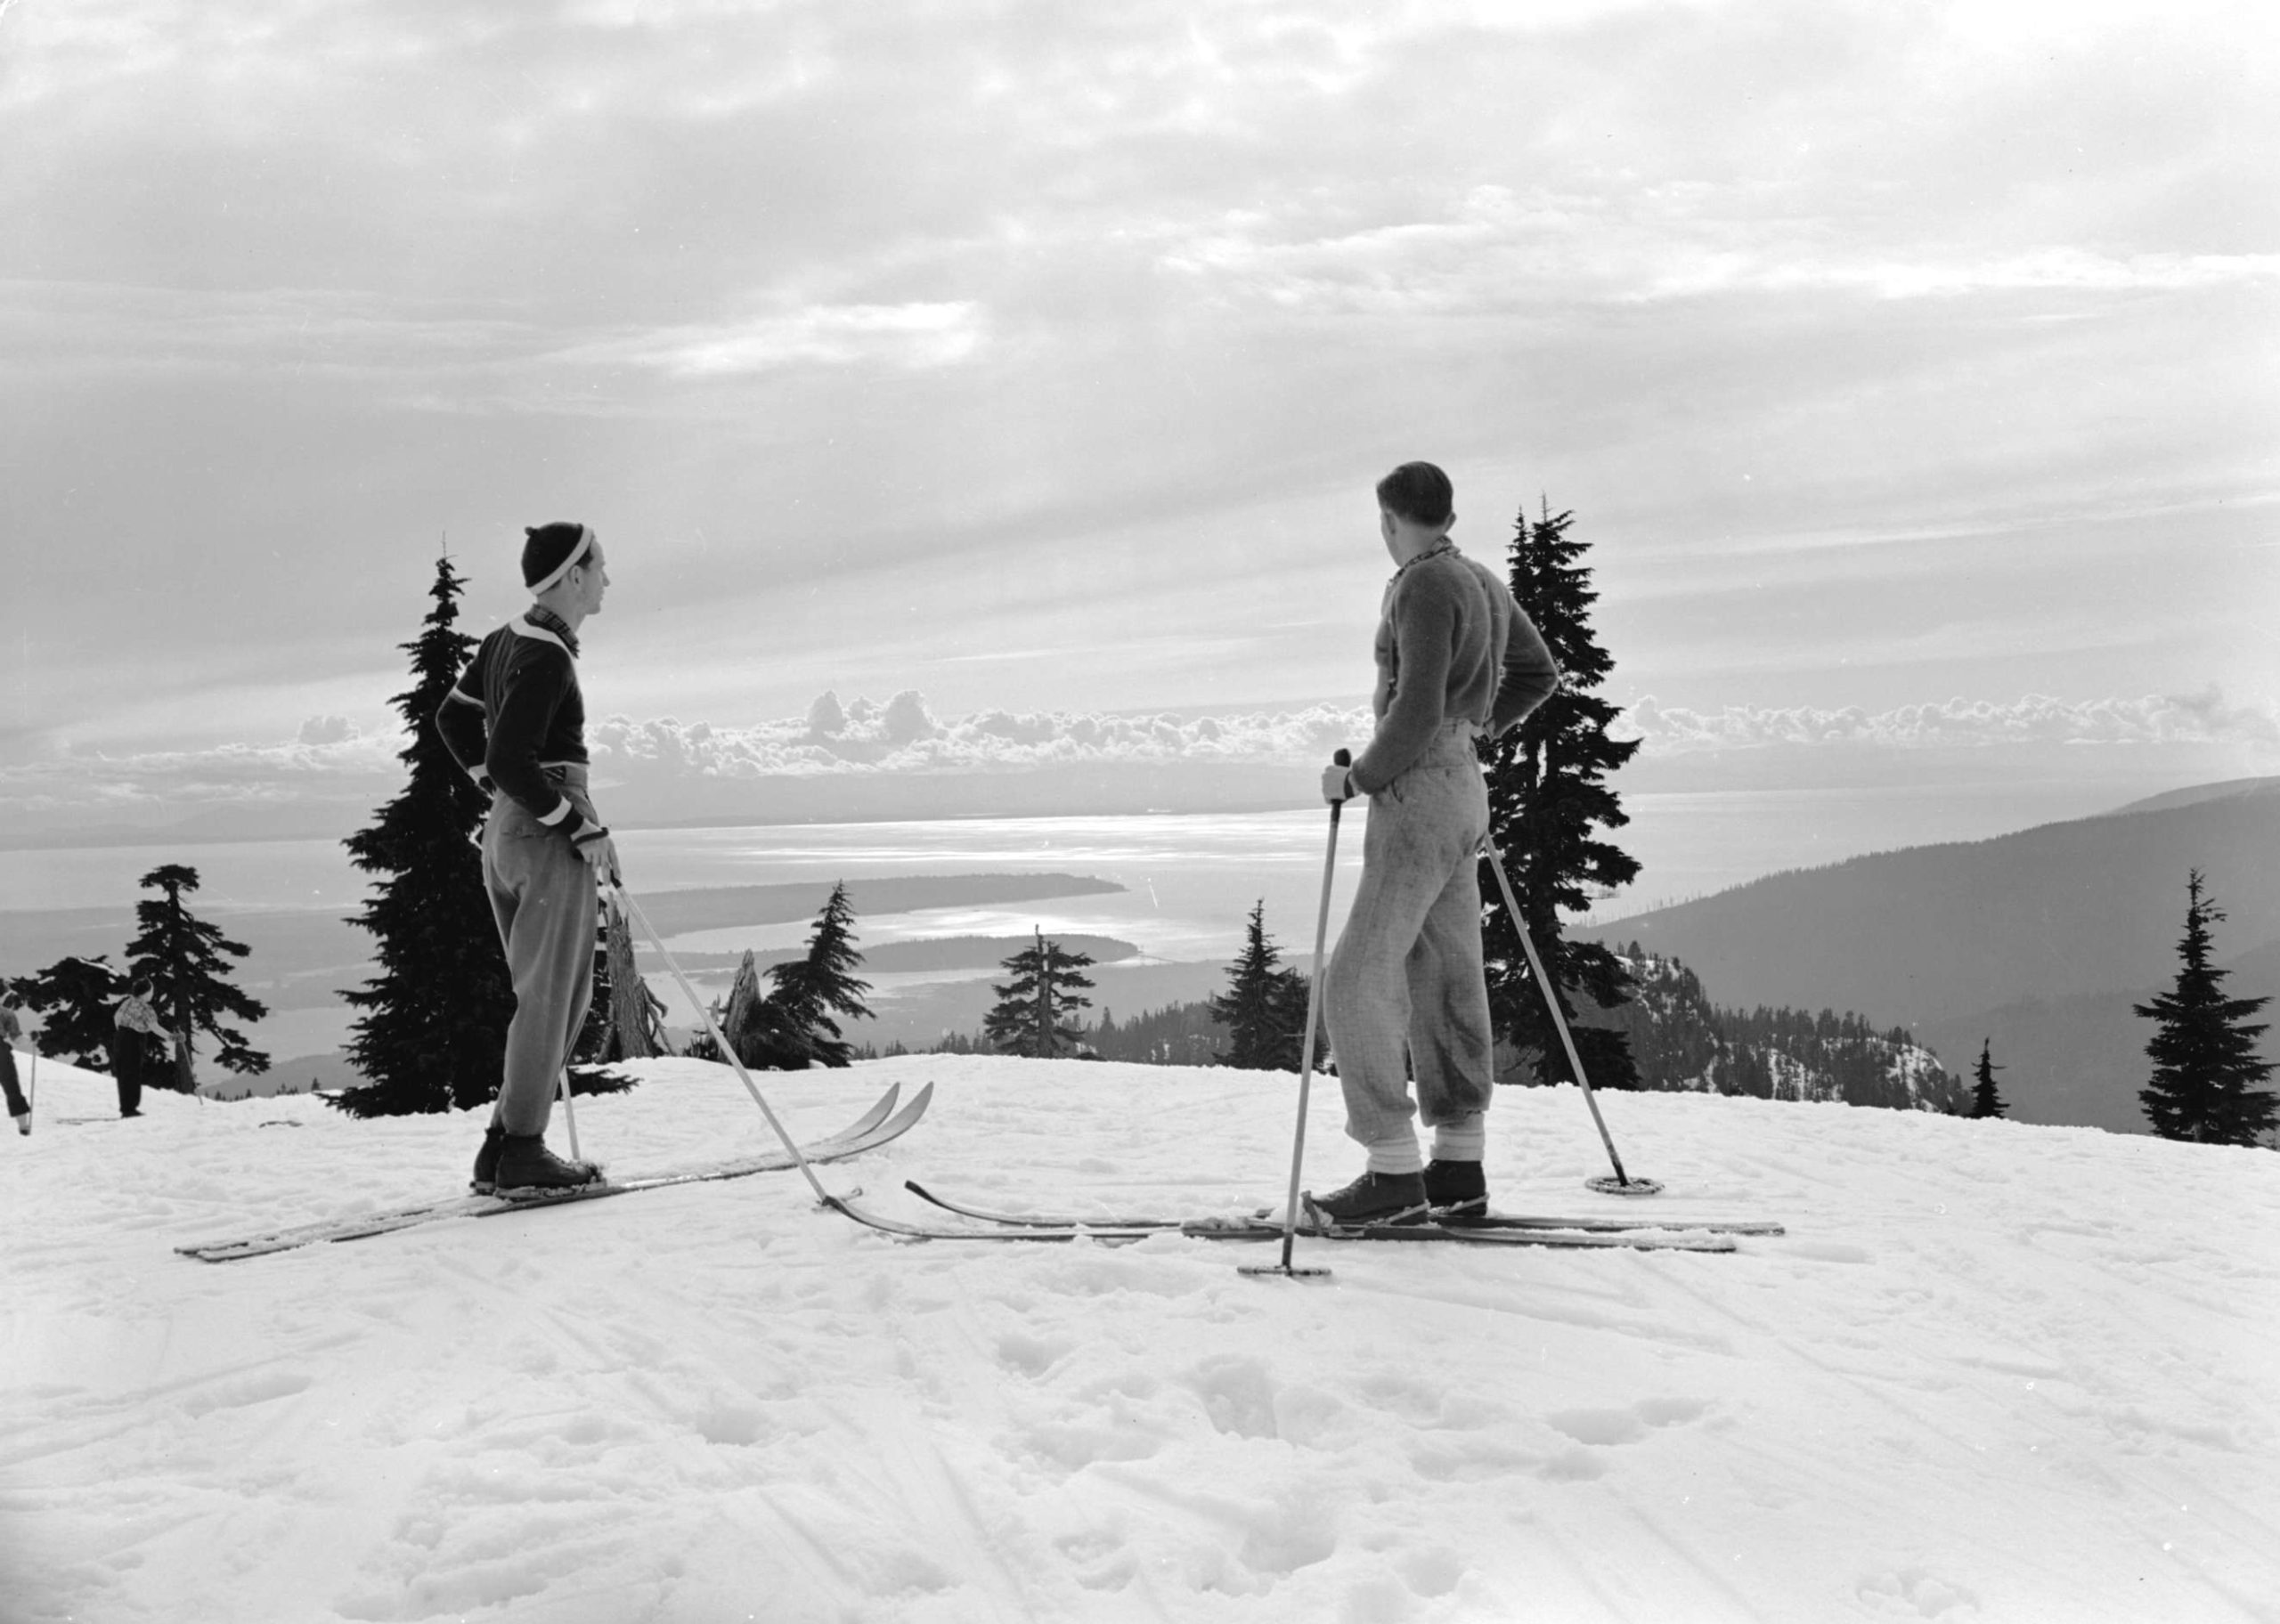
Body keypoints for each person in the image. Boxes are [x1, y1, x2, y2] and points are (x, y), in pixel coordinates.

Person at [1310, 462, 1559, 1225]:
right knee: (1448, 968)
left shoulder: (1420, 584)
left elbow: (1414, 707)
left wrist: (1356, 780)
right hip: (1464, 791)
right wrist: (1477, 727)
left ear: (1391, 521)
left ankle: (1391, 1173)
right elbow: (1538, 674)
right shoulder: (1480, 579)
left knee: (1355, 973)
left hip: (1418, 792)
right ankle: (1459, 1166)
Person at [436, 522, 620, 1197]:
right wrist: (576, 823)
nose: (606, 578)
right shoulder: (546, 654)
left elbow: (452, 721)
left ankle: (499, 1148)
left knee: (535, 996)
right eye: (599, 566)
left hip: (509, 832)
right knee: (554, 1000)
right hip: (547, 833)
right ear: (572, 575)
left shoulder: (505, 641)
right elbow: (516, 755)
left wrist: (496, 788)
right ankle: (522, 1153)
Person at [110, 976, 167, 1118]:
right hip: (134, 1040)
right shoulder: (146, 1008)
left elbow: (116, 1017)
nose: (153, 993)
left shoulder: (128, 1002)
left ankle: (126, 1108)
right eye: (152, 990)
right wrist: (174, 1037)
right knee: (132, 1073)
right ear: (146, 992)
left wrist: (123, 1031)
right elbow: (155, 1027)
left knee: (123, 1073)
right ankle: (130, 1109)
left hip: (121, 1038)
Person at [1, 990, 29, 1134]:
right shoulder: (6, 1013)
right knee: (11, 1085)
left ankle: (23, 1125)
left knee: (11, 1085)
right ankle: (23, 1125)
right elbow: (17, 1038)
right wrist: (31, 1038)